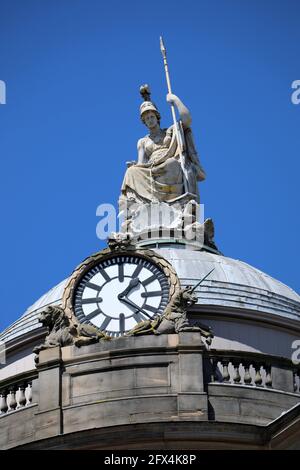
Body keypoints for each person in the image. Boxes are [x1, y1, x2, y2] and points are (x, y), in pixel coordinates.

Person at [119, 87, 205, 212]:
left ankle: (171, 196)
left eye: (151, 116)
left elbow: (187, 119)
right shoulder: (142, 141)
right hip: (151, 167)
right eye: (146, 118)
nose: (150, 120)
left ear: (157, 117)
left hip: (168, 162)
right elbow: (142, 163)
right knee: (131, 171)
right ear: (144, 122)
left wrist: (175, 100)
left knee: (172, 163)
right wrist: (135, 166)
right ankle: (136, 202)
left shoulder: (170, 131)